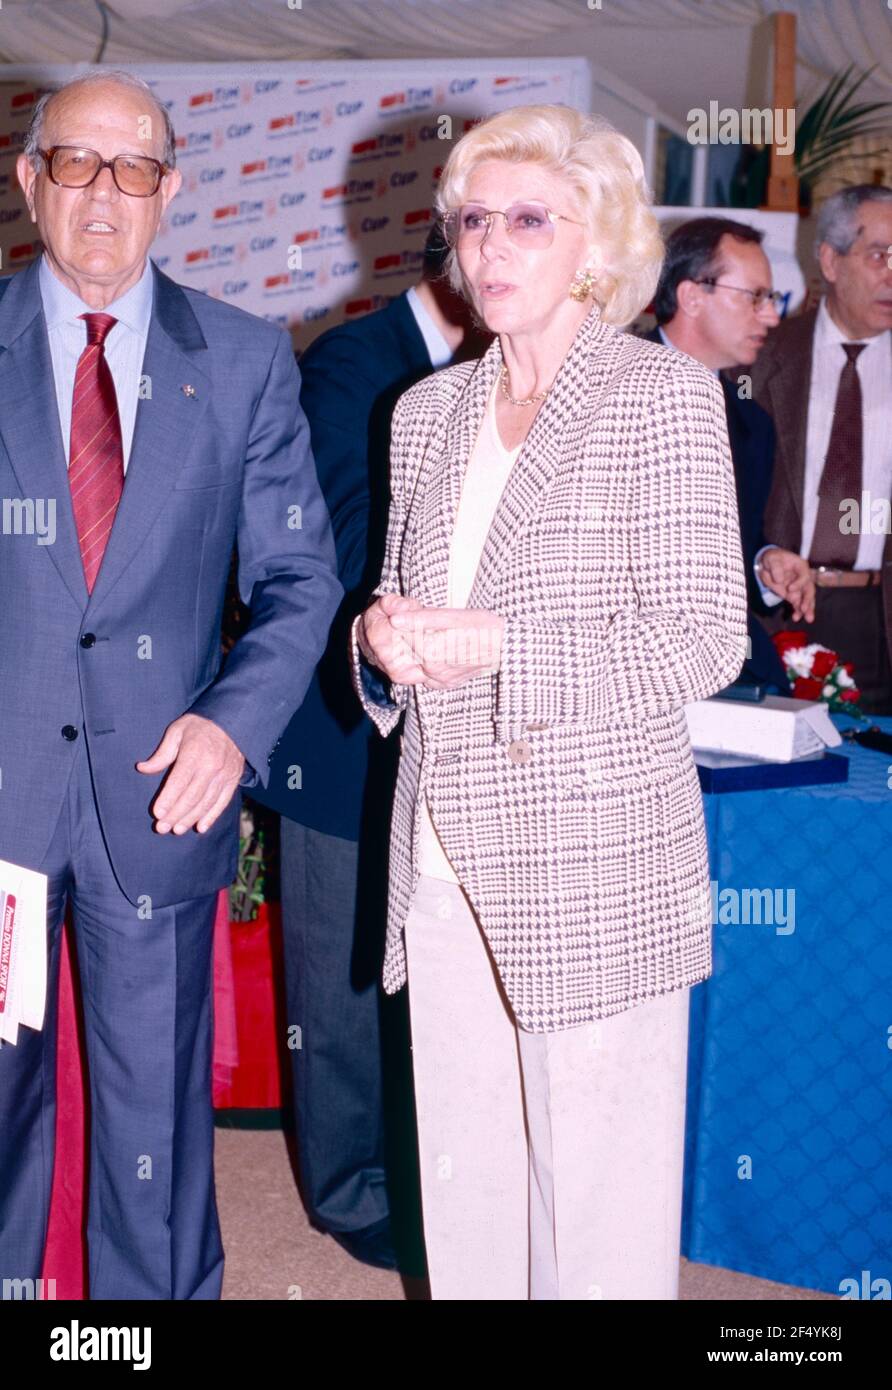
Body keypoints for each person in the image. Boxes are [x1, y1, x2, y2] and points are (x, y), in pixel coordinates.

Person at [350, 103, 748, 1300]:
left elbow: (701, 639)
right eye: (474, 220)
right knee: (466, 1187)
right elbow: (397, 603)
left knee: (596, 1213)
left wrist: (495, 644)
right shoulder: (424, 412)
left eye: (529, 218)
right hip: (440, 854)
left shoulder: (659, 397)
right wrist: (375, 641)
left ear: (600, 244)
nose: (491, 245)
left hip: (594, 857)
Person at [0, 70, 342, 1300]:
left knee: (153, 1130)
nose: (104, 194)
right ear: (30, 178)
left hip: (163, 799)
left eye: (133, 167)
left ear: (172, 190)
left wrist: (230, 726)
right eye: (75, 163)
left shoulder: (243, 360)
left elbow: (302, 578)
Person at [252, 225, 485, 1272]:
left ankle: (428, 1167)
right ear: (450, 256)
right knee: (341, 983)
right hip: (340, 733)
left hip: (457, 729)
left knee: (427, 969)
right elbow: (342, 546)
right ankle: (351, 1192)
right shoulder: (354, 365)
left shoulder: (505, 373)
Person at [646, 215, 816, 689]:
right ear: (691, 296)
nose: (773, 316)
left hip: (720, 664)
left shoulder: (753, 424)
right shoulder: (599, 387)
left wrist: (765, 562)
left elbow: (735, 546)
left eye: (772, 298)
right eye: (756, 297)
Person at [750, 185, 892, 711]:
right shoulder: (760, 359)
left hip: (880, 620)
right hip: (775, 610)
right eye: (880, 255)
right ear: (830, 260)